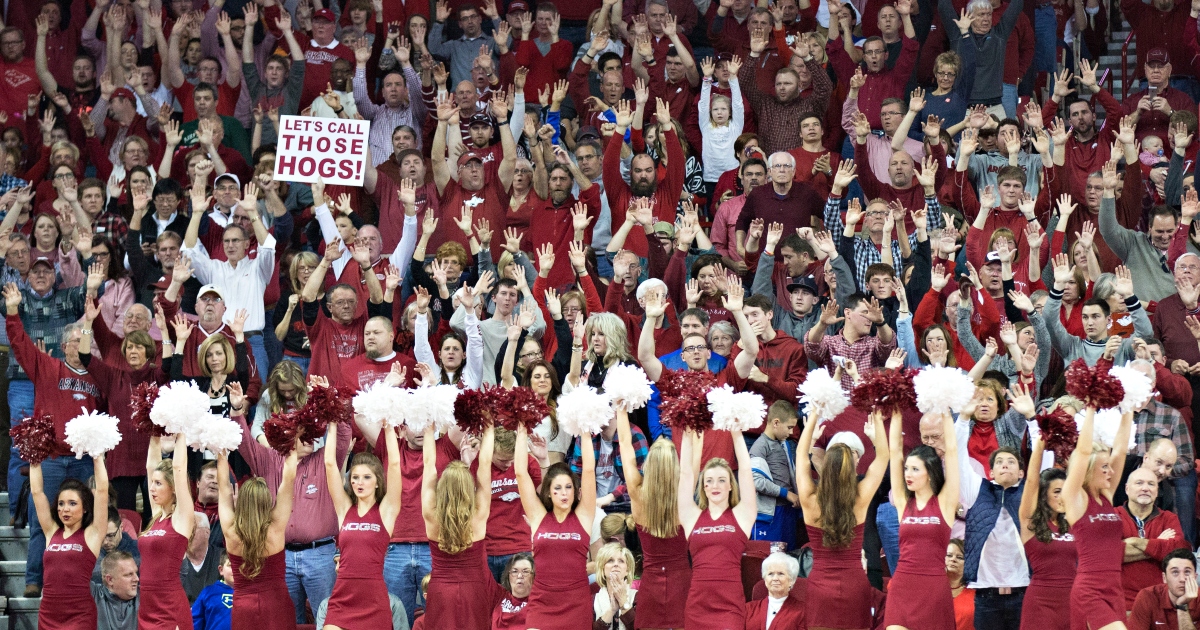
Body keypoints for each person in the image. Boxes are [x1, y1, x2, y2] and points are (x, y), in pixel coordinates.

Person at [231, 380, 350, 622]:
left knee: (327, 620)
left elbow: (343, 436)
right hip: (280, 556)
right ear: (289, 435)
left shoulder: (326, 460)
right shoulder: (270, 460)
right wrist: (236, 411)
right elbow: (245, 444)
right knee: (286, 621)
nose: (308, 439)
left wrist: (330, 401)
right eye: (301, 434)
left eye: (311, 434)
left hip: (321, 554)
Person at [794, 401, 888, 629]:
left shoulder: (809, 498)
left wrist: (813, 419)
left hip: (819, 586)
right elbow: (884, 458)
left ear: (825, 466)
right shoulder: (860, 498)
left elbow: (800, 456)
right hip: (855, 586)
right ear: (853, 469)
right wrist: (876, 429)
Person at [321, 412, 403, 629]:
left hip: (373, 597)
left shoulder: (386, 511)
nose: (359, 483)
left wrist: (388, 426)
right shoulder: (344, 508)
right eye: (355, 477)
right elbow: (330, 464)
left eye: (367, 477)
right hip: (343, 595)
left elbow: (395, 464)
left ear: (377, 482)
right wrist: (331, 422)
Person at [513, 423, 596, 629]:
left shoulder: (584, 516)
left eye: (568, 487)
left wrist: (585, 429)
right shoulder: (539, 516)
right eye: (558, 488)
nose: (564, 492)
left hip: (576, 604)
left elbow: (588, 470)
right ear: (549, 492)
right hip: (542, 603)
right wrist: (522, 428)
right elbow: (521, 473)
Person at [884, 404, 959, 629]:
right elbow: (895, 451)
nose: (908, 474)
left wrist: (945, 408)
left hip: (933, 588)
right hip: (902, 584)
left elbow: (953, 450)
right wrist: (897, 409)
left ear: (930, 473)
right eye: (907, 469)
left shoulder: (945, 502)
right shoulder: (903, 502)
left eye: (915, 469)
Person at [421, 424, 502, 629]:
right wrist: (489, 428)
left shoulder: (431, 515)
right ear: (468, 487)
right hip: (474, 590)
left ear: (442, 487)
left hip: (440, 591)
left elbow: (429, 465)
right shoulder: (478, 515)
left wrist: (429, 428)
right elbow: (484, 464)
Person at [615, 408, 690, 629]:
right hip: (683, 584)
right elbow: (693, 451)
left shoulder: (637, 493)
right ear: (675, 466)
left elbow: (625, 443)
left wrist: (621, 409)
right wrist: (690, 412)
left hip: (650, 585)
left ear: (649, 463)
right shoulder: (685, 495)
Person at [678, 421, 757, 628]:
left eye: (722, 480)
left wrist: (735, 430)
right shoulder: (690, 516)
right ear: (703, 487)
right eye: (709, 481)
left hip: (729, 607)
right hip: (697, 606)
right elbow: (686, 474)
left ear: (731, 485)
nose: (715, 486)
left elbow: (746, 469)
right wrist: (687, 436)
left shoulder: (743, 515)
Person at [216, 434, 299, 630]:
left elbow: (223, 489)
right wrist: (291, 444)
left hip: (244, 606)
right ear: (266, 501)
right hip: (277, 605)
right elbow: (288, 480)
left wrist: (221, 452)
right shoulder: (276, 526)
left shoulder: (230, 530)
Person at [1063, 404, 1135, 630]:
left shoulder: (1106, 496)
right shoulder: (1075, 498)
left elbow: (1121, 450)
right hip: (1090, 588)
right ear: (1088, 468)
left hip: (1115, 588)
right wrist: (1091, 408)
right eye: (1104, 467)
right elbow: (1083, 452)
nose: (1111, 472)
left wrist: (1128, 407)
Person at [32, 449, 109, 630]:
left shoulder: (93, 534)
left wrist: (97, 454)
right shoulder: (52, 532)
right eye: (61, 503)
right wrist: (33, 453)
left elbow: (102, 490)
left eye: (72, 503)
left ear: (84, 508)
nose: (65, 509)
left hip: (79, 615)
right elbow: (37, 492)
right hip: (48, 613)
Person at [1017, 436, 1076, 630]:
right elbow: (1032, 479)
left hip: (1072, 601)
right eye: (1057, 491)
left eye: (1066, 490)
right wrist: (1041, 443)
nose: (1063, 496)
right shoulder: (1030, 522)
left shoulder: (1074, 523)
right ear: (1044, 495)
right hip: (1040, 603)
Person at [139, 434, 195, 630]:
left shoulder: (182, 518)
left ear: (173, 488)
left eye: (158, 484)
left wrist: (181, 432)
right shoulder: (156, 516)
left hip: (169, 606)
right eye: (152, 483)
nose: (151, 488)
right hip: (147, 605)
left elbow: (179, 468)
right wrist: (153, 432)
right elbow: (150, 466)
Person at [1118, 467, 1188, 610]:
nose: (1145, 488)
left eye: (1151, 484)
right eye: (1139, 483)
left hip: (1159, 605)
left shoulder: (1169, 519)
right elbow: (1109, 554)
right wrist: (1158, 544)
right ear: (1127, 489)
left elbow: (1177, 552)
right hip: (1121, 604)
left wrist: (1135, 541)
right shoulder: (1113, 517)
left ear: (1157, 490)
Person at [749, 401, 800, 547]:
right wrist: (787, 493)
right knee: (769, 559)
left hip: (788, 512)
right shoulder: (760, 446)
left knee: (789, 559)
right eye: (789, 427)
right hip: (770, 516)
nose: (791, 432)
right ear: (776, 422)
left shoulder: (784, 444)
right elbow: (755, 481)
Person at [1127, 548, 1200, 629]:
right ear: (1164, 577)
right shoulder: (1147, 596)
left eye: (1187, 572)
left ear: (1195, 577)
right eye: (1175, 572)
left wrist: (1182, 606)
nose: (1182, 579)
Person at [744, 551, 805, 629]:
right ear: (765, 579)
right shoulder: (748, 609)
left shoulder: (802, 611)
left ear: (791, 580)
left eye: (781, 574)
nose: (775, 578)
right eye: (770, 574)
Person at [591, 541, 637, 629]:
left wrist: (623, 602)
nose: (616, 564)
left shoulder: (638, 597)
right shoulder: (593, 600)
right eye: (610, 561)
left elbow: (638, 628)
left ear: (627, 570)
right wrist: (611, 610)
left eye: (621, 561)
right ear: (602, 569)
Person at [92, 550, 139, 630]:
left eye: (136, 573)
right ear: (110, 580)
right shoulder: (93, 594)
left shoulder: (145, 596)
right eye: (129, 574)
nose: (137, 579)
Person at [190, 552, 233, 630]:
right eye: (231, 565)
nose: (236, 569)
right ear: (221, 570)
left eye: (240, 565)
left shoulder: (253, 593)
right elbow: (194, 621)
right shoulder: (209, 592)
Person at [493, 552, 534, 629]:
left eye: (525, 571)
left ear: (534, 575)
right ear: (508, 576)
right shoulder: (498, 595)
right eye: (515, 571)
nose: (519, 576)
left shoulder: (538, 603)